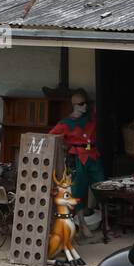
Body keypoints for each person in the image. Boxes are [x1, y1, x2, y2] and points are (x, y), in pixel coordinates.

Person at [49, 89, 104, 226]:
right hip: (77, 158)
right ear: (74, 105)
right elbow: (50, 136)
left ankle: (106, 222)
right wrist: (64, 145)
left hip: (93, 155)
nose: (85, 106)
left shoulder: (91, 118)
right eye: (81, 104)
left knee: (102, 187)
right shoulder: (65, 123)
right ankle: (83, 225)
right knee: (77, 189)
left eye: (86, 103)